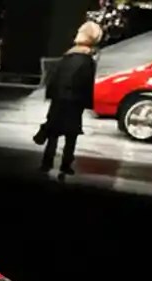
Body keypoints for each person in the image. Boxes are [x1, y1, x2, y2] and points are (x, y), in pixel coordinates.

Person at [34, 21, 102, 180]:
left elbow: (54, 78)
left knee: (53, 133)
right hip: (74, 101)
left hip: (59, 99)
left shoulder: (67, 56)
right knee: (71, 136)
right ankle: (66, 165)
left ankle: (46, 163)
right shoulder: (88, 61)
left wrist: (51, 95)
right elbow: (86, 84)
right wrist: (87, 103)